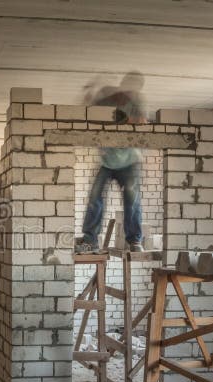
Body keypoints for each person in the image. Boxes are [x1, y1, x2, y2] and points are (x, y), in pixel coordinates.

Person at [75, 71, 146, 253]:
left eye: (133, 91)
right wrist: (89, 95)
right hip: (107, 161)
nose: (129, 94)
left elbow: (143, 124)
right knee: (95, 198)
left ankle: (135, 240)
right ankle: (90, 240)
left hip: (129, 161)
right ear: (123, 85)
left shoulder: (137, 103)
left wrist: (131, 121)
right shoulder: (107, 97)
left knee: (132, 198)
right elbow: (89, 112)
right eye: (127, 90)